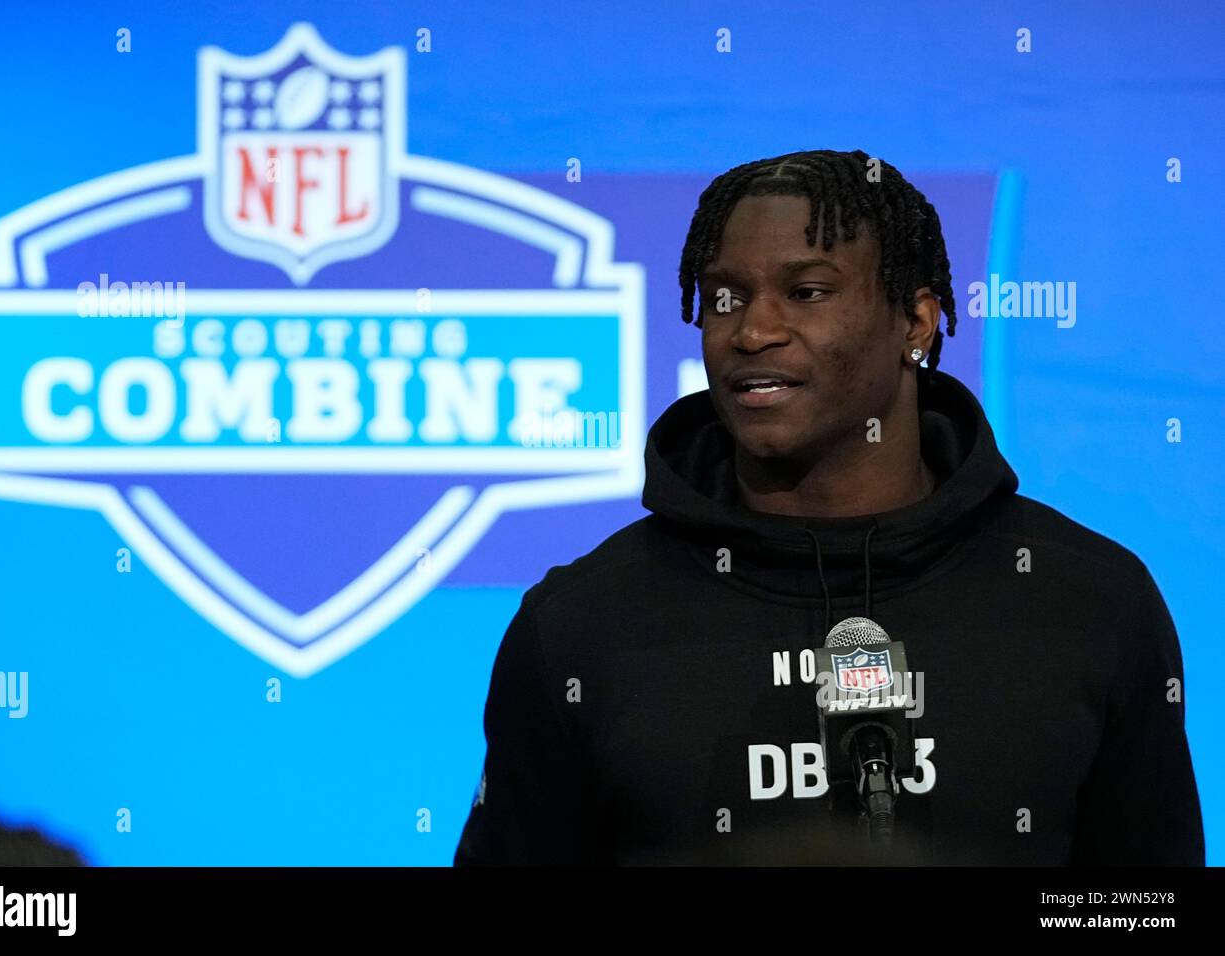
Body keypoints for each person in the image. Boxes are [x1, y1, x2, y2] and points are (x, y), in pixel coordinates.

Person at [452, 149, 1205, 865]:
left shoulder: (1088, 600)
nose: (753, 331)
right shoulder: (582, 625)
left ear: (916, 321)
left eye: (807, 292)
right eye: (726, 298)